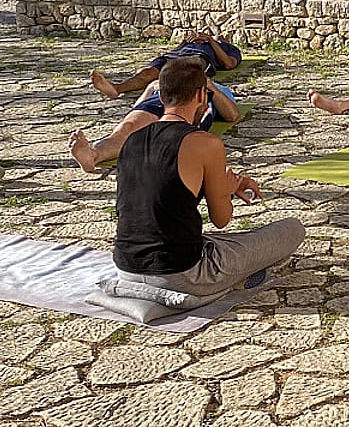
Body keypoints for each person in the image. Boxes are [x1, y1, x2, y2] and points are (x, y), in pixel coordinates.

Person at [110, 56, 304, 298]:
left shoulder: (132, 140)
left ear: (160, 96)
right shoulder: (204, 143)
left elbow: (166, 194)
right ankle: (230, 283)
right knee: (292, 229)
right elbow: (222, 218)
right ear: (202, 96)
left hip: (126, 267)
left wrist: (223, 184)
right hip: (183, 274)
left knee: (219, 241)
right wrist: (225, 188)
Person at [69, 71, 240, 173]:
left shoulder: (216, 89)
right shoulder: (163, 81)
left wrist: (209, 86)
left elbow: (232, 114)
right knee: (128, 128)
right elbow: (145, 96)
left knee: (165, 138)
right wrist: (135, 112)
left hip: (189, 104)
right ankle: (93, 155)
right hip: (160, 99)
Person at [91, 31, 243, 99]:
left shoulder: (227, 47)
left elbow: (229, 64)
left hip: (197, 58)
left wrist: (212, 41)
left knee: (179, 75)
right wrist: (185, 42)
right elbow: (174, 51)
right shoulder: (193, 42)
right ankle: (116, 89)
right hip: (173, 56)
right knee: (147, 74)